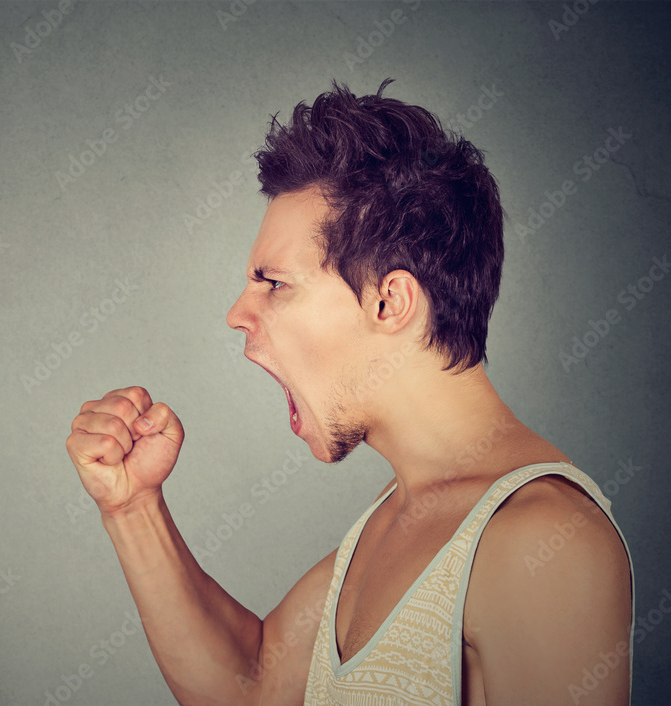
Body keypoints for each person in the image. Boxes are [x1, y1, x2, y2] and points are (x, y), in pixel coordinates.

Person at [65, 79, 634, 705]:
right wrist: (132, 507)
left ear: (390, 302)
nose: (236, 313)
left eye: (273, 283)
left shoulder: (545, 543)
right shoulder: (403, 506)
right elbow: (255, 686)